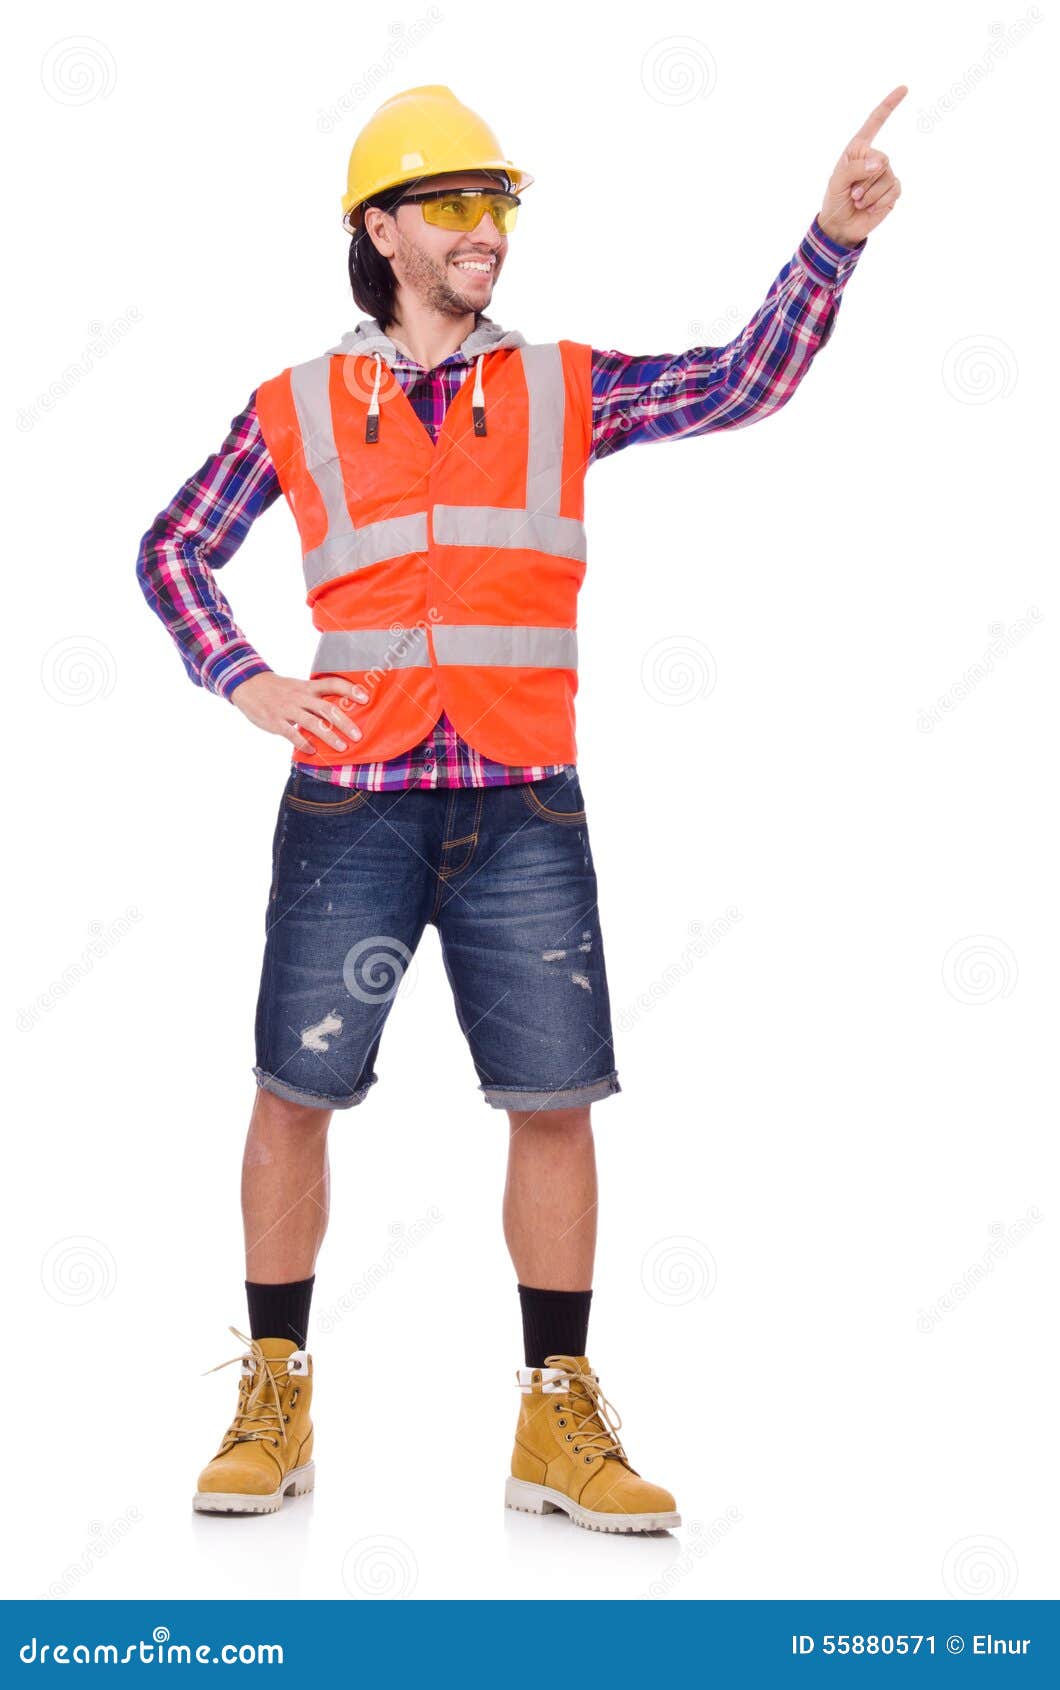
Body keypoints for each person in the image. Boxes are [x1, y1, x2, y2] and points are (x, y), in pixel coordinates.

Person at [137, 82, 904, 1531]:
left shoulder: (559, 385)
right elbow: (173, 547)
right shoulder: (299, 403)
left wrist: (829, 241)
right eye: (456, 204)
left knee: (554, 1102)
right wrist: (245, 681)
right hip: (349, 806)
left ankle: (556, 1416)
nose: (488, 229)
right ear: (383, 229)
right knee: (295, 1091)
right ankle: (277, 1387)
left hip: (520, 807)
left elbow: (742, 379)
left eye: (500, 205)